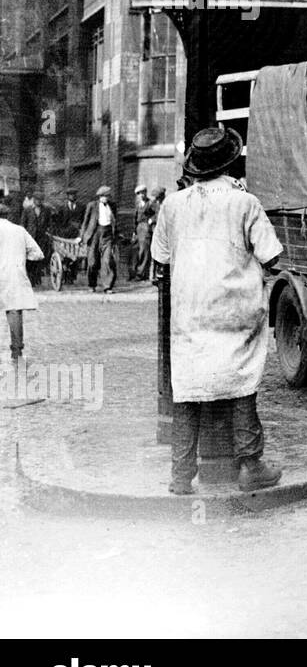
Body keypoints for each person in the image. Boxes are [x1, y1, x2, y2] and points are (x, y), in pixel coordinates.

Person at [151, 125, 284, 496]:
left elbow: (160, 257)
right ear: (231, 161)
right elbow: (271, 256)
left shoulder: (172, 205)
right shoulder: (245, 202)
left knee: (188, 388)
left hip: (189, 311)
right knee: (242, 382)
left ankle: (180, 476)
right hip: (236, 311)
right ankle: (250, 465)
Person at [0, 199, 44, 361]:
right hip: (13, 274)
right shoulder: (19, 230)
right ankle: (16, 351)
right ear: (7, 215)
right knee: (14, 311)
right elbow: (37, 253)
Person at [80, 185, 118, 292]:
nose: (107, 198)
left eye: (108, 196)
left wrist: (117, 234)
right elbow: (85, 221)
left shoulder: (113, 206)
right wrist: (81, 236)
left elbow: (115, 221)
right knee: (92, 261)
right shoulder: (92, 205)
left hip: (108, 235)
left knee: (108, 260)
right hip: (94, 234)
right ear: (100, 196)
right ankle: (92, 285)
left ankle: (107, 286)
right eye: (105, 196)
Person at [20, 193, 51, 288]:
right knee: (30, 259)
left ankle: (37, 278)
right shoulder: (27, 210)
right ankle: (31, 279)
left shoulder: (46, 210)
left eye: (41, 199)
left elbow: (49, 223)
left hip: (41, 237)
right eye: (37, 199)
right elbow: (23, 224)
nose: (39, 201)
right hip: (30, 237)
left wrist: (48, 231)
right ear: (33, 199)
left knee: (39, 257)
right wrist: (23, 236)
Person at [131, 184, 153, 280]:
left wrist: (151, 220)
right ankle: (133, 273)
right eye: (139, 194)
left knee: (144, 251)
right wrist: (134, 231)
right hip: (138, 228)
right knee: (135, 251)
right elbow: (135, 218)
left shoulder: (151, 203)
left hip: (145, 227)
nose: (141, 195)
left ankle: (141, 274)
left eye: (143, 193)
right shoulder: (138, 204)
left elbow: (157, 213)